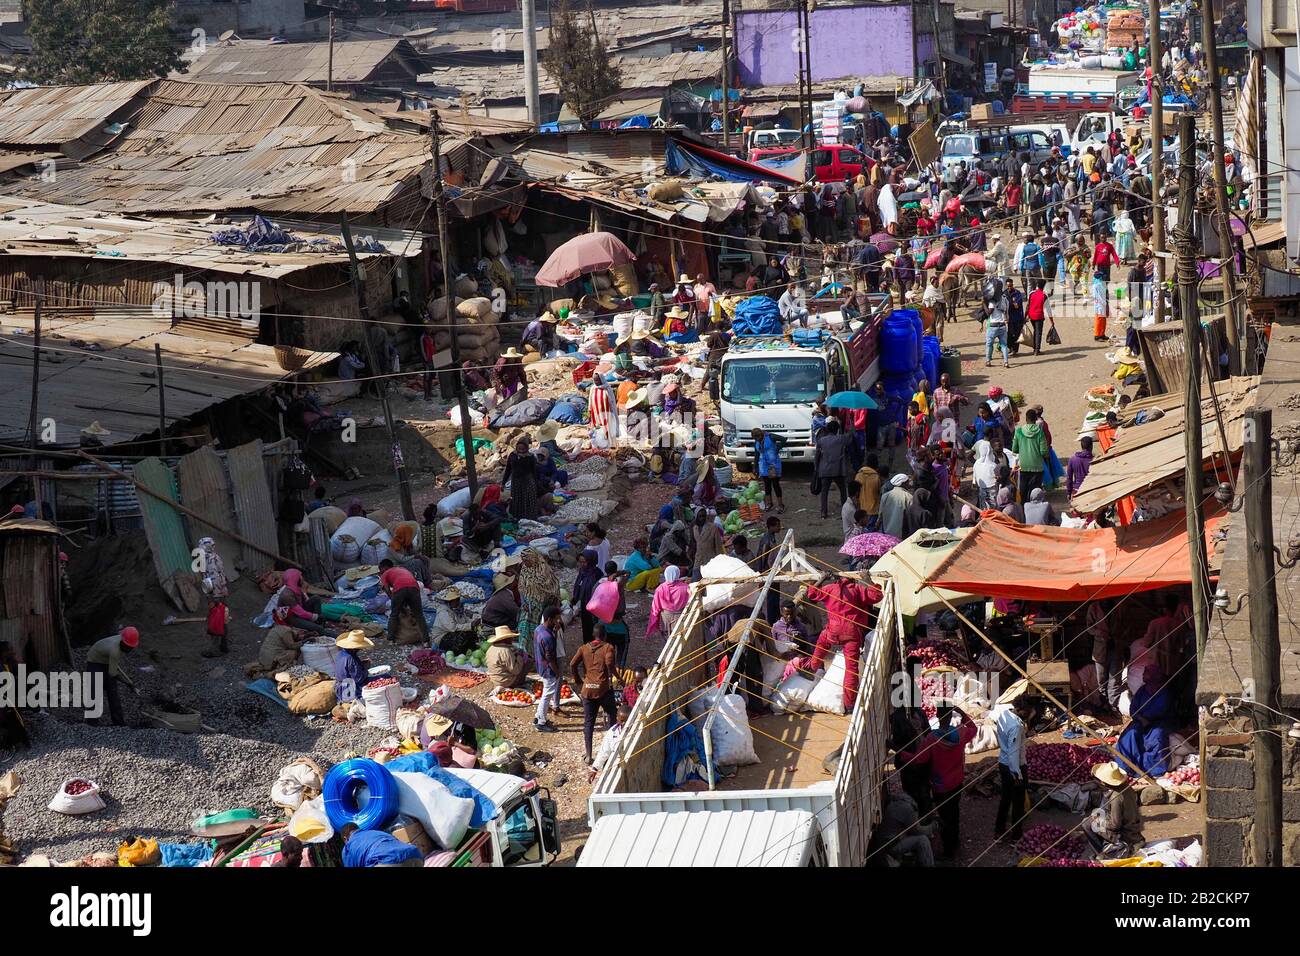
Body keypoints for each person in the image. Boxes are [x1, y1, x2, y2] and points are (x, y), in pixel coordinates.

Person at [901, 702, 977, 859]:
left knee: (944, 817)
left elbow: (919, 759)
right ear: (950, 717)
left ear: (937, 715)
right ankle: (954, 842)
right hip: (957, 782)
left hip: (940, 786)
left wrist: (899, 752)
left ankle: (948, 852)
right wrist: (962, 713)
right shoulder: (960, 733)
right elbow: (974, 729)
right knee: (954, 812)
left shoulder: (932, 738)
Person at [798, 573, 880, 712]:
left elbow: (812, 594)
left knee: (821, 644)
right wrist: (867, 580)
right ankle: (849, 704)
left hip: (833, 630)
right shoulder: (858, 589)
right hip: (852, 633)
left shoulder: (830, 588)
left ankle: (812, 667)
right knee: (851, 669)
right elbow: (877, 596)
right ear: (852, 579)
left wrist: (822, 578)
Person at [571, 622, 619, 765]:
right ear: (604, 635)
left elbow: (572, 664)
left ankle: (588, 755)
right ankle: (611, 752)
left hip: (587, 690)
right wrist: (618, 676)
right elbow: (610, 664)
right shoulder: (608, 647)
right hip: (603, 689)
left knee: (588, 723)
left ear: (593, 635)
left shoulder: (583, 648)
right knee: (612, 716)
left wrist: (578, 679)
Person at [1117, 665, 1178, 775]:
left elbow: (1161, 710)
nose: (1143, 675)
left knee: (1156, 736)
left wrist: (1146, 718)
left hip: (1159, 722)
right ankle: (1126, 765)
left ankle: (1151, 769)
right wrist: (1140, 718)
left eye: (1146, 673)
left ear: (1154, 676)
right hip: (1141, 721)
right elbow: (1133, 707)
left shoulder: (1163, 691)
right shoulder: (1142, 690)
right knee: (1130, 734)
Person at [994, 696, 1035, 841]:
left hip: (1003, 763)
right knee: (1017, 803)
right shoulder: (1016, 727)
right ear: (1019, 710)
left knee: (1005, 799)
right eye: (1027, 711)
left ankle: (999, 830)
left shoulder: (1005, 714)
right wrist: (1017, 775)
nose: (1029, 714)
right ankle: (1016, 836)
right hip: (1014, 767)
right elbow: (1013, 753)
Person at [1083, 761, 1143, 857]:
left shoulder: (1116, 797)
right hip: (1133, 827)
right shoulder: (1127, 788)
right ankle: (1106, 846)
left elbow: (1115, 825)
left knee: (1086, 823)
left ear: (1104, 782)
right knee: (1096, 814)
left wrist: (1098, 820)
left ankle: (1100, 853)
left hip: (1125, 835)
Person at [85, 626, 139, 726]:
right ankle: (91, 725)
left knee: (113, 694)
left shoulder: (122, 642)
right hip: (95, 662)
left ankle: (119, 724)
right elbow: (113, 674)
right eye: (128, 647)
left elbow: (113, 668)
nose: (129, 650)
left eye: (131, 647)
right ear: (123, 643)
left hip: (106, 660)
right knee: (95, 694)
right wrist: (128, 683)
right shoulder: (115, 650)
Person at [378, 558, 428, 644]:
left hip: (400, 588)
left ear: (385, 568)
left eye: (380, 570)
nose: (380, 572)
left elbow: (386, 589)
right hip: (414, 587)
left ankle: (390, 639)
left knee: (394, 615)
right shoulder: (402, 569)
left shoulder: (385, 574)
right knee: (419, 615)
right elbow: (408, 584)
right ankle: (426, 641)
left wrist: (394, 600)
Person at [814, 419, 854, 518]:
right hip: (838, 469)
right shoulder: (841, 439)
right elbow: (851, 435)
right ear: (837, 430)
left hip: (825, 469)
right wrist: (851, 421)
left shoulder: (822, 441)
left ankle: (824, 512)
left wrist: (816, 468)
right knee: (843, 491)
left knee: (824, 492)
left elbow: (817, 456)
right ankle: (844, 511)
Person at [340, 823, 423, 868]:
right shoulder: (376, 832)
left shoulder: (348, 846)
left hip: (388, 861)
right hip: (415, 855)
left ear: (345, 838)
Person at [1012, 408, 1049, 501]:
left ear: (1026, 419)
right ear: (1036, 419)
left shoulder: (1019, 431)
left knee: (1023, 492)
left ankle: (1024, 511)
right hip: (1037, 467)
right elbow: (1044, 451)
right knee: (1035, 492)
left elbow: (1014, 449)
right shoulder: (1040, 432)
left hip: (1023, 467)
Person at [647, 564, 690, 640]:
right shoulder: (686, 588)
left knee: (667, 637)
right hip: (681, 616)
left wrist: (655, 620)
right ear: (678, 574)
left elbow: (655, 608)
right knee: (680, 637)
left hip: (665, 617)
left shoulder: (660, 588)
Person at [332, 629, 374, 705]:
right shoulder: (351, 658)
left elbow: (348, 669)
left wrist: (361, 664)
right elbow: (359, 678)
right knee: (385, 677)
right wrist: (366, 669)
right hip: (349, 690)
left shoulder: (341, 653)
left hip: (339, 686)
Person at [506, 436, 544, 521]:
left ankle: (530, 517)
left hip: (527, 480)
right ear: (517, 447)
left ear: (527, 448)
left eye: (523, 449)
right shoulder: (512, 456)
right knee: (517, 499)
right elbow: (508, 469)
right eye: (520, 448)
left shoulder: (530, 457)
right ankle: (518, 517)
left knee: (528, 499)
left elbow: (534, 471)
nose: (521, 451)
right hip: (516, 481)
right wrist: (503, 483)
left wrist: (536, 483)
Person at [591, 704, 631, 779]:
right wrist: (595, 768)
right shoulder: (612, 732)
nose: (624, 724)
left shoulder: (635, 730)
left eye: (626, 721)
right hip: (616, 764)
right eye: (621, 721)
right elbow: (604, 751)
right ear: (617, 718)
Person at [572, 549, 602, 645]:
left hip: (595, 606)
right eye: (580, 562)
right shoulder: (582, 572)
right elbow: (578, 586)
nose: (582, 564)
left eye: (584, 562)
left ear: (591, 561)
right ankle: (587, 647)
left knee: (595, 627)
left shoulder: (597, 574)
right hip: (585, 604)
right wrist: (574, 599)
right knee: (586, 626)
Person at [752, 428, 785, 514]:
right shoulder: (756, 442)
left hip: (773, 464)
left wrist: (778, 448)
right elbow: (756, 454)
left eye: (758, 437)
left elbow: (783, 439)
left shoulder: (770, 437)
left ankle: (781, 505)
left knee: (775, 484)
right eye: (755, 438)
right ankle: (769, 503)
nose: (757, 439)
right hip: (763, 466)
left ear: (761, 435)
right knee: (767, 485)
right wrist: (755, 467)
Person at [486, 624, 527, 690]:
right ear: (505, 639)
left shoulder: (490, 648)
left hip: (495, 679)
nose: (512, 639)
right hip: (505, 682)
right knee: (528, 662)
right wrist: (519, 656)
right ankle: (518, 683)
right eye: (510, 638)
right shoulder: (505, 651)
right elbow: (516, 670)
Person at [692, 508, 723, 578]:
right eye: (700, 516)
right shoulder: (695, 528)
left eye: (704, 516)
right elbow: (695, 543)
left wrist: (720, 560)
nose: (702, 518)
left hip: (710, 559)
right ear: (696, 517)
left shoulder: (713, 527)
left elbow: (718, 545)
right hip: (698, 559)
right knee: (695, 582)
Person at [879, 474, 912, 539]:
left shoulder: (885, 496)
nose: (909, 484)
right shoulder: (909, 497)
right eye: (908, 482)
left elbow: (880, 514)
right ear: (903, 483)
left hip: (887, 532)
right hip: (902, 534)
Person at [1026, 278, 1051, 355]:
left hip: (1031, 316)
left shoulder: (1031, 293)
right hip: (1039, 316)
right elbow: (1048, 309)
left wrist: (1025, 317)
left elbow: (1028, 306)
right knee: (1038, 332)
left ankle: (1035, 348)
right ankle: (1037, 350)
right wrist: (1052, 321)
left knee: (1035, 331)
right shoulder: (1044, 295)